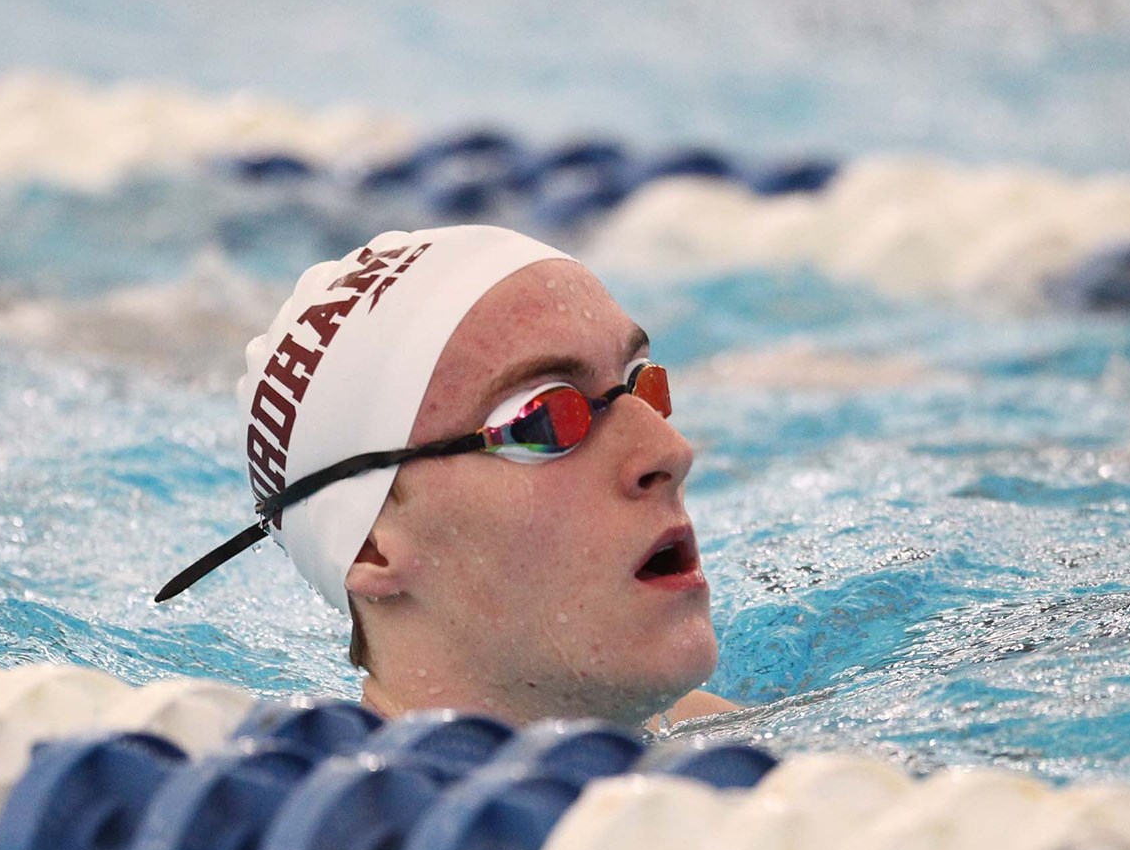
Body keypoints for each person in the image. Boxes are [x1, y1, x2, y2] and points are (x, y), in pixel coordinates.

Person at [158, 225, 733, 728]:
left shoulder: (734, 740)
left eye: (642, 383)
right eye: (547, 418)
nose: (671, 451)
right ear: (374, 546)